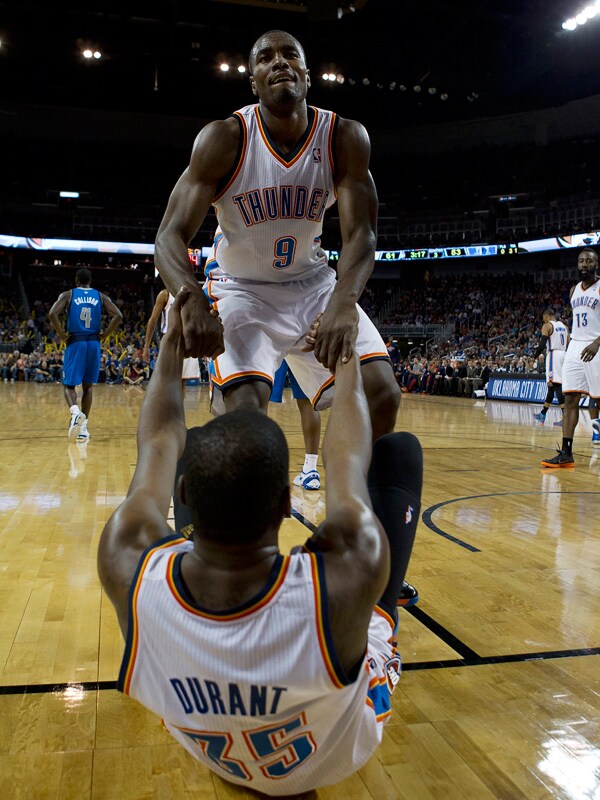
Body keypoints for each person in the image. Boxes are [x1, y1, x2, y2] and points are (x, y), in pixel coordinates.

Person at [97, 287, 423, 795]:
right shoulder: (351, 567)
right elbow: (347, 462)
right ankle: (384, 620)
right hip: (333, 757)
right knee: (399, 452)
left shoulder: (124, 560)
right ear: (285, 508)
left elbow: (159, 438)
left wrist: (170, 347)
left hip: (218, 753)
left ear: (183, 496)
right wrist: (347, 363)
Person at [153, 30, 399, 436]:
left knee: (383, 395)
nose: (280, 62)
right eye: (266, 58)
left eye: (290, 55)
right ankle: (258, 498)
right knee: (247, 415)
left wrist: (343, 302)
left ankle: (360, 499)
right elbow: (168, 235)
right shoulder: (224, 139)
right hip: (242, 289)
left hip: (313, 286)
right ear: (253, 82)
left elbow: (362, 236)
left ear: (306, 72)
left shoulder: (344, 137)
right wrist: (191, 297)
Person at [542, 248, 600, 468]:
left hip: (596, 345)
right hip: (576, 345)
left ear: (596, 265)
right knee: (570, 399)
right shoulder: (574, 290)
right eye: (581, 261)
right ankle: (566, 452)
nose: (584, 264)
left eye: (589, 261)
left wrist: (596, 343)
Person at [48, 268, 122, 439]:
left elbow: (52, 313)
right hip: (94, 343)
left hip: (76, 341)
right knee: (88, 387)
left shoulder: (69, 294)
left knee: (69, 385)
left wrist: (61, 334)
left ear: (76, 280)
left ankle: (75, 413)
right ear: (90, 281)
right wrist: (105, 334)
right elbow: (118, 315)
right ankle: (83, 429)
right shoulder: (101, 296)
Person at [270, 360, 322, 490]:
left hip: (272, 342)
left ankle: (258, 467)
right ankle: (310, 470)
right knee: (308, 400)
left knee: (261, 396)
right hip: (300, 342)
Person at [143, 287, 201, 391]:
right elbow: (152, 320)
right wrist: (146, 346)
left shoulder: (191, 294)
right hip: (171, 340)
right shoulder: (165, 294)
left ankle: (178, 407)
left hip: (188, 340)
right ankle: (162, 406)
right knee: (165, 381)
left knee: (182, 383)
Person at [533, 308, 569, 427]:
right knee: (552, 386)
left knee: (557, 384)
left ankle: (566, 417)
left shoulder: (547, 326)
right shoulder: (564, 326)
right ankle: (543, 414)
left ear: (547, 316)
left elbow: (542, 344)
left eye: (544, 318)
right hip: (564, 354)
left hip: (554, 355)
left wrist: (534, 356)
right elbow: (568, 343)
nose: (543, 321)